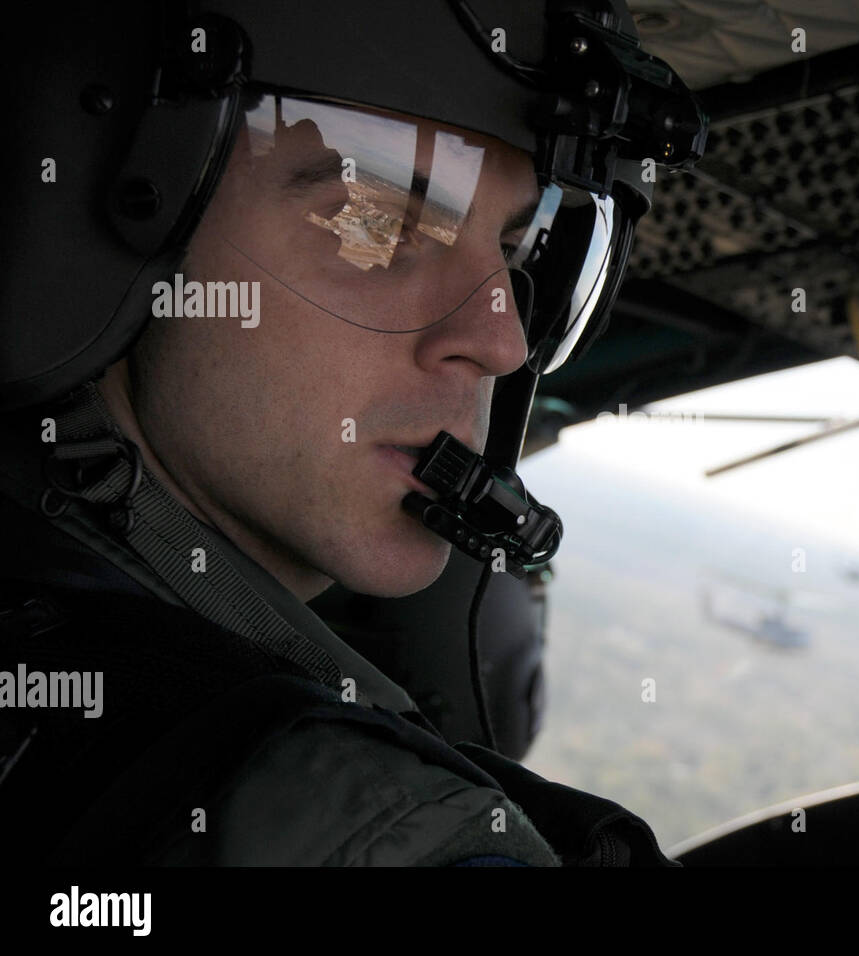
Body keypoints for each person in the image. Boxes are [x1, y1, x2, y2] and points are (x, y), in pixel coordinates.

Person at [0, 0, 706, 866]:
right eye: (376, 224)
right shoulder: (372, 836)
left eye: (515, 259)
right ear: (110, 222)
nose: (500, 339)